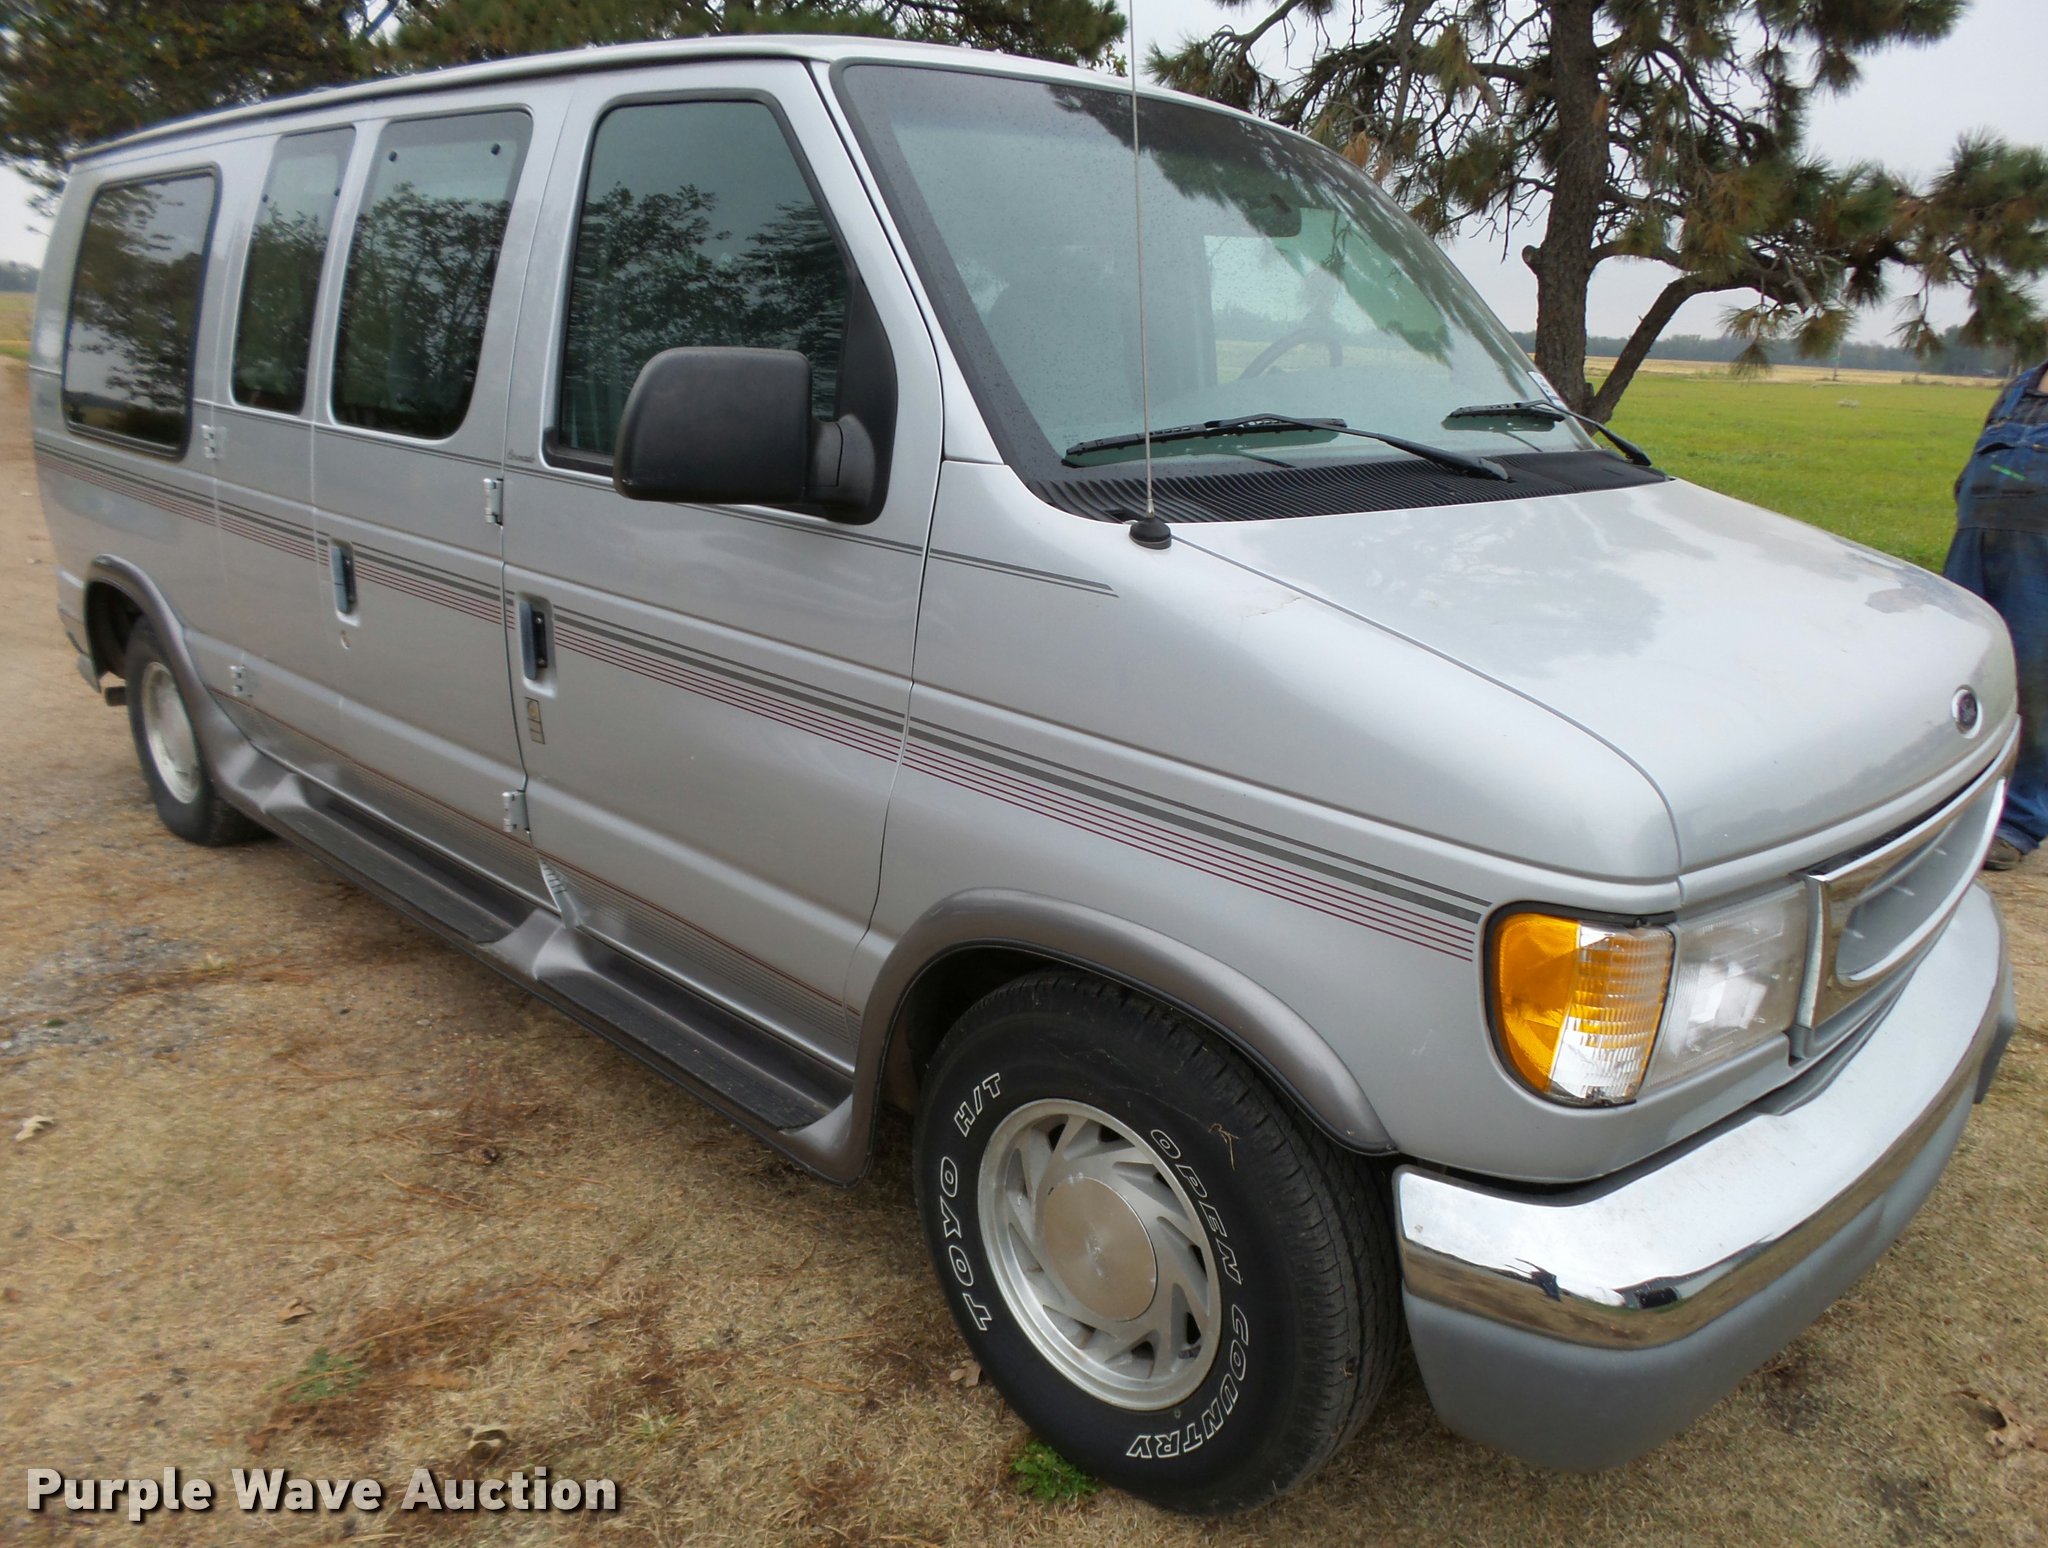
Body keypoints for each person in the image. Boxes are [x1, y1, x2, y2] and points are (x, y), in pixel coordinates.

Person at [1944, 359, 2048, 870]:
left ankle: (2019, 821)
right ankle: (1951, 804)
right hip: (1976, 545)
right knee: (1962, 673)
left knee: (2035, 685)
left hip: (2040, 564)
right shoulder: (2020, 387)